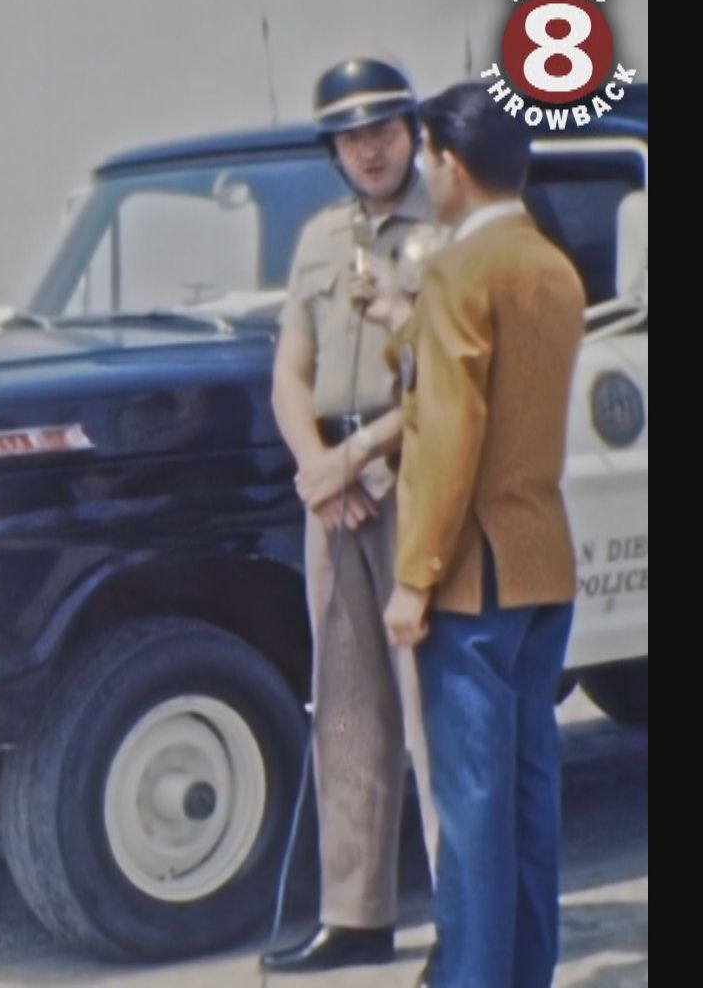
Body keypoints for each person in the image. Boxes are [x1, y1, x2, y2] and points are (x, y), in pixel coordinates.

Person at [370, 84, 586, 987]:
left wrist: (415, 577)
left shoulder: (462, 270)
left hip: (473, 579)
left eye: (424, 157)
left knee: (471, 816)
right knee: (528, 801)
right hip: (542, 567)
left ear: (448, 165)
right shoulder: (550, 265)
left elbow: (453, 430)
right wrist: (401, 324)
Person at [262, 57, 447, 974]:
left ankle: (466, 919)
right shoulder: (320, 239)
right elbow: (290, 371)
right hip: (333, 491)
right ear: (332, 149)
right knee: (345, 705)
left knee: (433, 710)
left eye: (383, 130)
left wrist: (355, 456)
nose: (369, 149)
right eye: (350, 135)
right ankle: (357, 913)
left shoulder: (446, 224)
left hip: (412, 474)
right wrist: (317, 467)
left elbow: (449, 380)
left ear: (412, 131)